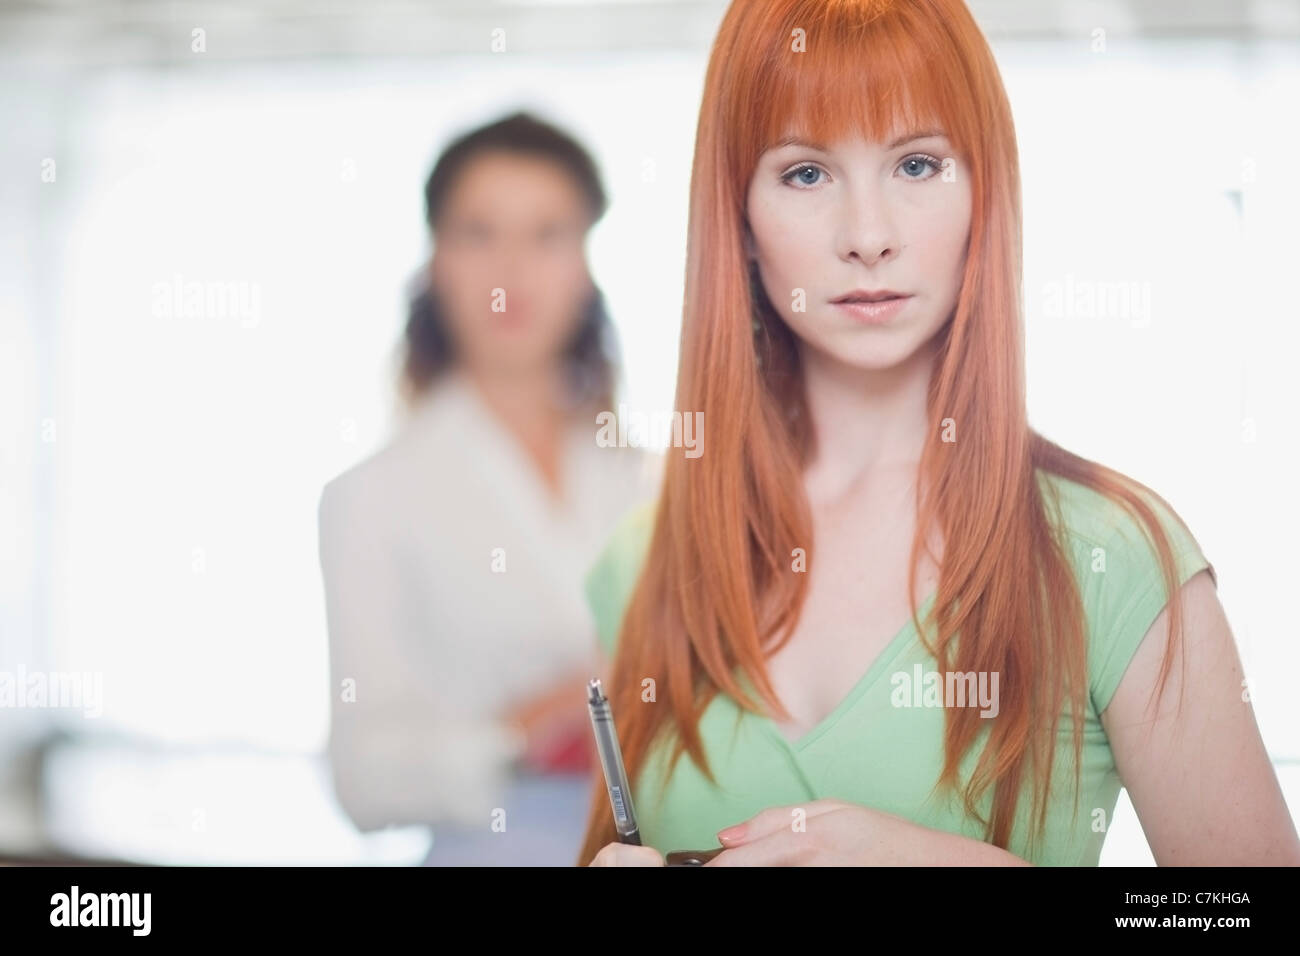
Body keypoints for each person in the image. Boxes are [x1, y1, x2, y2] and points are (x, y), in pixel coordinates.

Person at [580, 0, 1300, 866]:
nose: (869, 237)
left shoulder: (1114, 560)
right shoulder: (642, 561)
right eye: (805, 174)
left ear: (983, 191)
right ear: (736, 218)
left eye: (918, 164)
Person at [317, 111, 660, 865]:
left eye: (547, 235)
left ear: (585, 265)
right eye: (479, 232)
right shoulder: (371, 496)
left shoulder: (652, 479)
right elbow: (360, 779)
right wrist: (531, 724)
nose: (513, 272)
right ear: (437, 259)